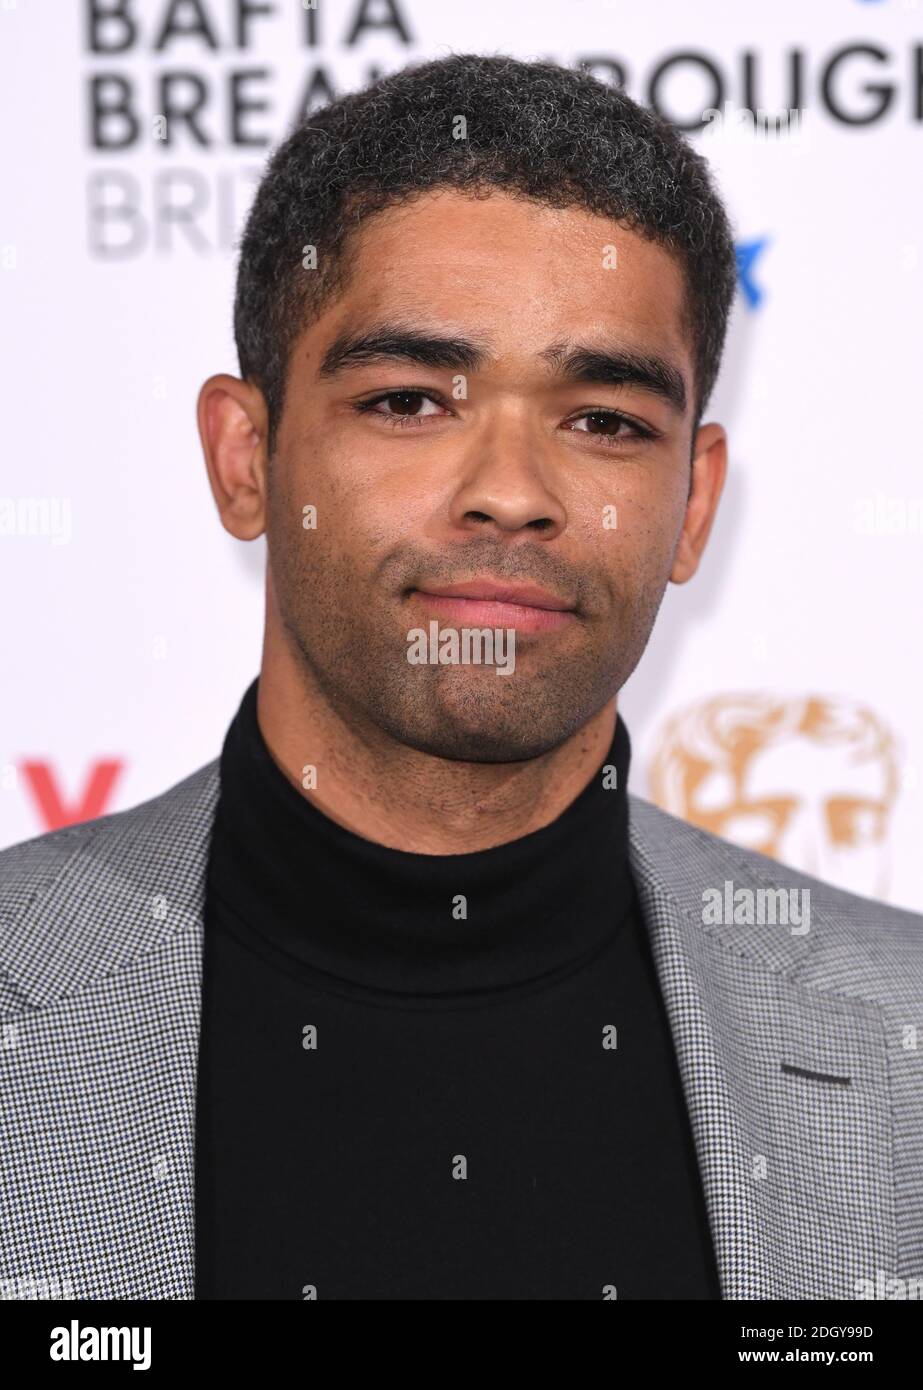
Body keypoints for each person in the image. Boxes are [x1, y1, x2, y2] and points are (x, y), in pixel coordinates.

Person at [2, 53, 921, 1303]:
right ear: (245, 456)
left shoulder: (900, 1038)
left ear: (692, 502)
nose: (511, 490)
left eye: (602, 419)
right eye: (409, 399)